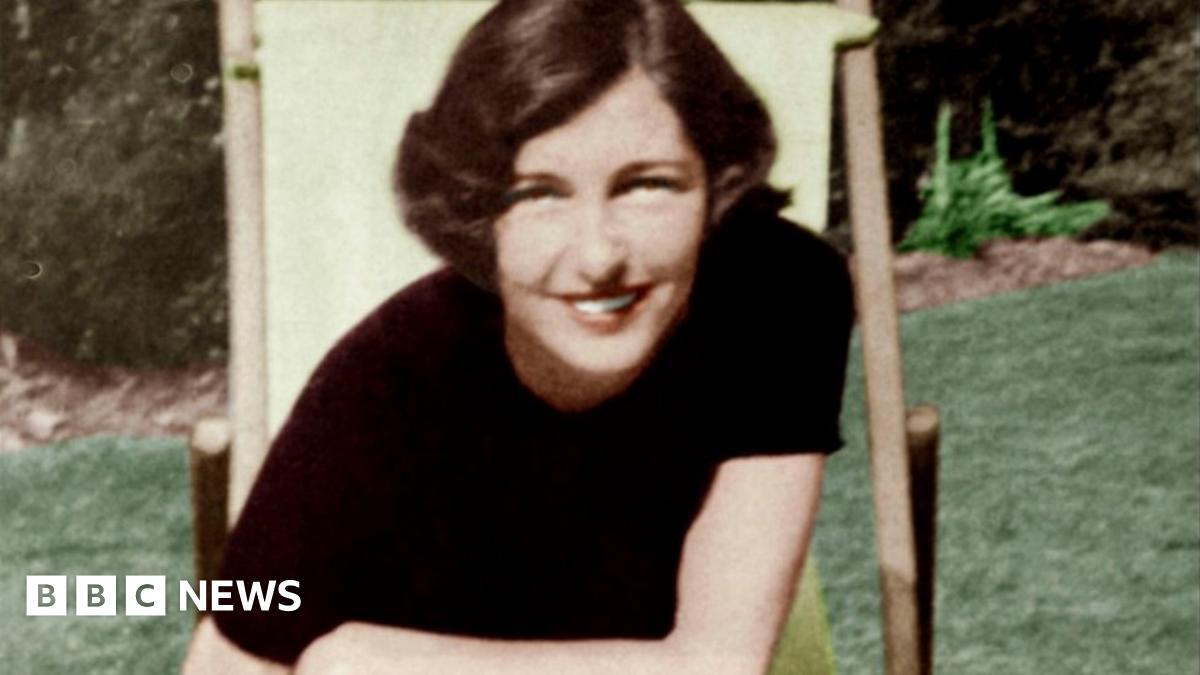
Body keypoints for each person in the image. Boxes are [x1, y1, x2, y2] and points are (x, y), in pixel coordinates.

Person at [183, 0, 853, 672]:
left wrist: (362, 660)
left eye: (647, 185)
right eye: (538, 194)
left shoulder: (779, 288)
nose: (599, 256)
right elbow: (229, 660)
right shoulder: (388, 378)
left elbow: (720, 663)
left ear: (715, 184)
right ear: (474, 208)